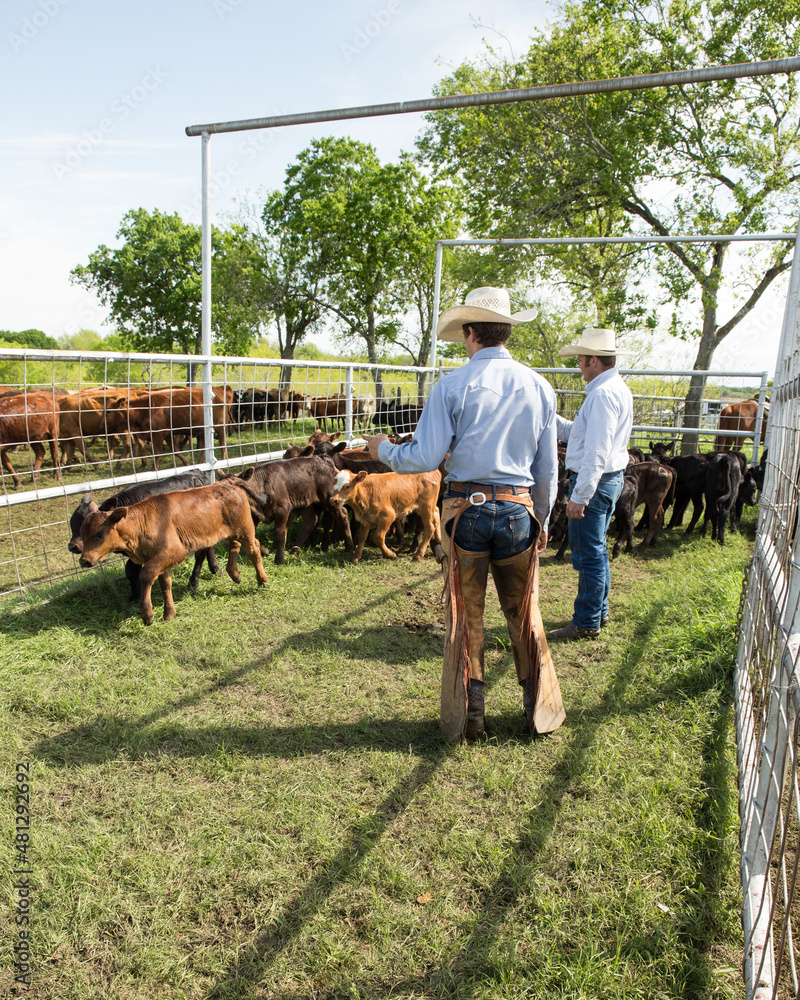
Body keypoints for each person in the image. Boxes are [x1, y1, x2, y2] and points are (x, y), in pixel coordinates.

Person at [365, 286, 565, 742]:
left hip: (466, 511)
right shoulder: (540, 386)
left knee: (467, 614)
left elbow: (426, 455)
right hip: (519, 511)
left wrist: (385, 450)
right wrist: (545, 520)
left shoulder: (453, 386)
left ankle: (471, 716)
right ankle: (538, 709)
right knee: (523, 611)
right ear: (506, 332)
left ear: (471, 332)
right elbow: (546, 469)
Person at [547, 328, 633, 641]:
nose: (579, 366)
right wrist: (549, 417)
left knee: (588, 555)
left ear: (594, 360)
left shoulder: (603, 395)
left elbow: (597, 450)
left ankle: (585, 622)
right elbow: (582, 436)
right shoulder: (611, 390)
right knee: (596, 551)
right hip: (607, 480)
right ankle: (599, 611)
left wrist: (580, 495)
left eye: (581, 360)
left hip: (595, 483)